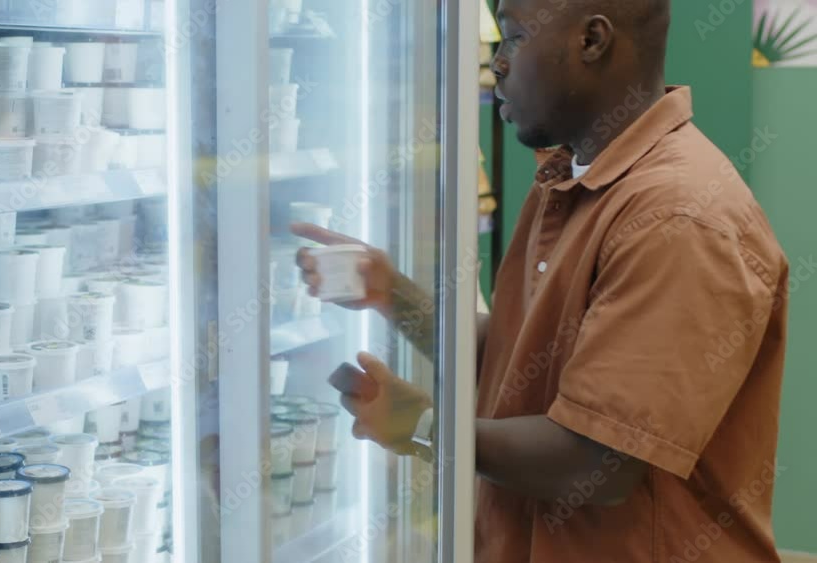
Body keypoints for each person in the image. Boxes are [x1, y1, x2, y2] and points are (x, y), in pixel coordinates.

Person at [294, 0, 789, 561]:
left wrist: (425, 426)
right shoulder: (572, 178)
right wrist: (391, 293)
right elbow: (521, 363)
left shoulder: (678, 218)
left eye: (514, 36)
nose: (498, 63)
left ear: (592, 40)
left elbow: (598, 462)